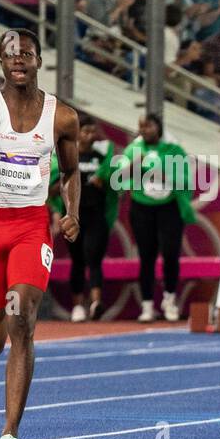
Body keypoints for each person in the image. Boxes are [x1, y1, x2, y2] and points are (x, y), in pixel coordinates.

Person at [0, 29, 81, 439]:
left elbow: (71, 171)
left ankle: (9, 435)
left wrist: (72, 211)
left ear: (38, 60)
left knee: (22, 318)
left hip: (31, 227)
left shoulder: (61, 117)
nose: (18, 61)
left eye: (26, 55)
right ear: (0, 61)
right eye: (11, 55)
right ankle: (8, 427)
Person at [112, 113, 194, 322]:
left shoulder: (174, 150)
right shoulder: (134, 149)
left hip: (169, 208)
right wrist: (134, 165)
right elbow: (119, 177)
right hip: (142, 208)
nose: (144, 130)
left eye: (148, 126)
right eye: (141, 126)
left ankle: (169, 301)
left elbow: (187, 180)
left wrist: (164, 175)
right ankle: (147, 306)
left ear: (158, 127)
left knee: (170, 254)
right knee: (146, 257)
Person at [50, 116, 119, 321]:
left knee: (94, 257)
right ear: (77, 133)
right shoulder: (66, 157)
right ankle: (78, 306)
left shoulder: (101, 158)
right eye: (85, 131)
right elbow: (52, 189)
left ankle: (96, 303)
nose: (89, 136)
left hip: (97, 215)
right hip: (73, 216)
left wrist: (104, 180)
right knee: (78, 260)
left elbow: (116, 187)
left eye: (92, 131)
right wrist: (65, 184)